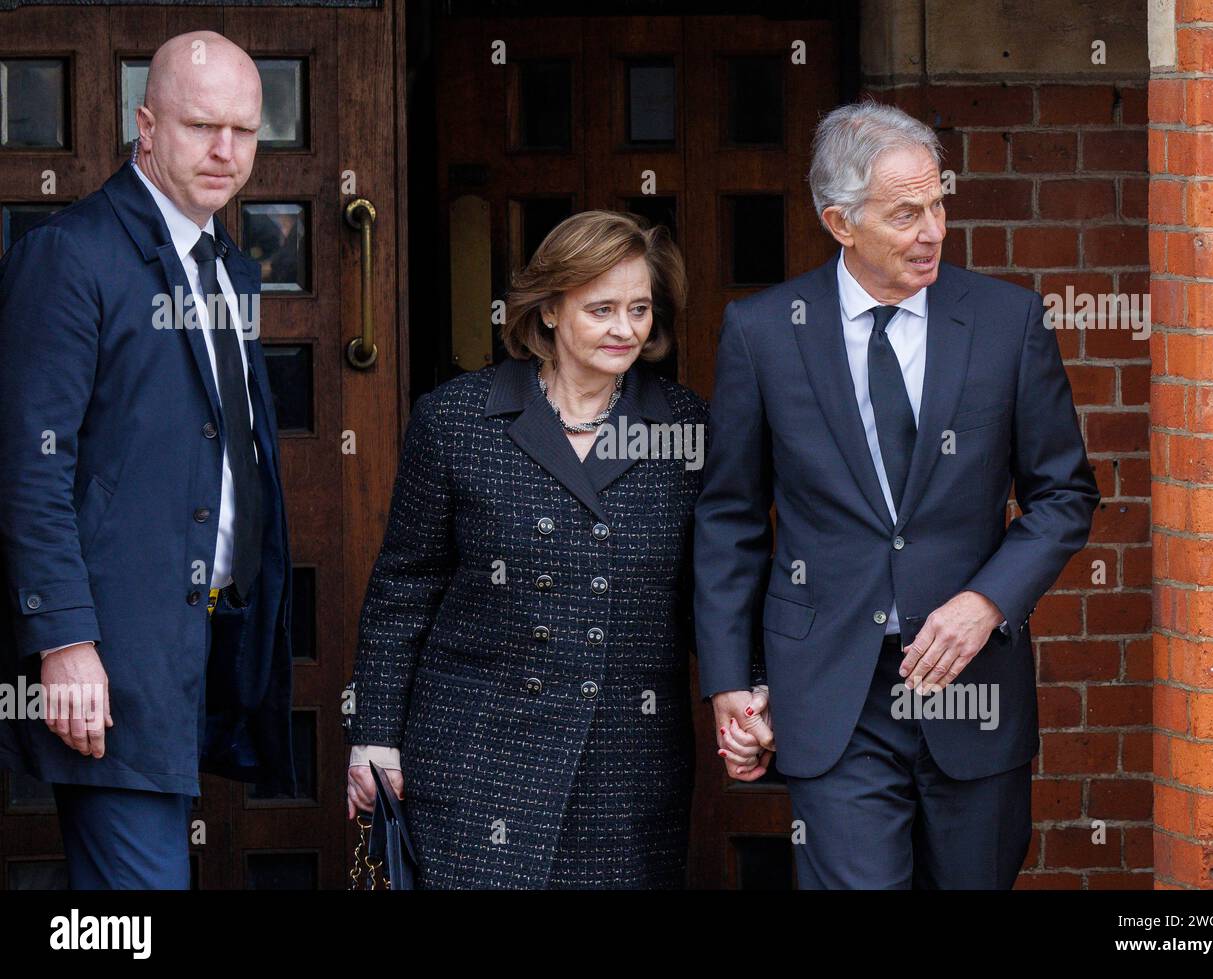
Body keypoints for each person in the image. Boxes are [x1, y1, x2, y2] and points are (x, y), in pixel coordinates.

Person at [694, 100, 1100, 889]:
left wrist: (986, 600)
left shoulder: (1006, 319)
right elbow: (730, 517)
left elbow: (1064, 495)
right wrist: (728, 680)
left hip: (972, 687)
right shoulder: (764, 331)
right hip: (832, 689)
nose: (933, 231)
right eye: (906, 212)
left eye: (939, 203)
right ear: (840, 222)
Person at [344, 210, 762, 888]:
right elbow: (402, 590)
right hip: (476, 757)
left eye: (639, 309)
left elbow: (717, 584)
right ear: (547, 310)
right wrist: (375, 733)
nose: (625, 328)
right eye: (601, 309)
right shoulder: (456, 419)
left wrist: (750, 688)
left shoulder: (686, 428)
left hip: (623, 768)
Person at [0, 31, 294, 889]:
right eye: (202, 126)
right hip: (110, 649)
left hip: (208, 638)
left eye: (243, 131)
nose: (225, 151)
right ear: (146, 125)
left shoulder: (230, 269)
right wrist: (64, 641)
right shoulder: (71, 254)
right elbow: (28, 465)